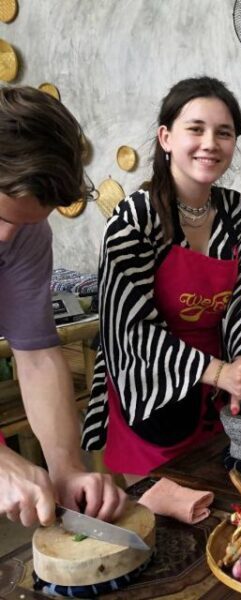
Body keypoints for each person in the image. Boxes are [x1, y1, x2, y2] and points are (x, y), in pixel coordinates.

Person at [81, 77, 241, 479]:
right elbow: (129, 330)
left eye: (224, 132)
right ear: (166, 137)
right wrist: (220, 372)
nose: (210, 143)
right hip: (150, 385)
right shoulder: (135, 219)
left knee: (225, 495)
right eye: (195, 129)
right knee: (163, 515)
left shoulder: (239, 213)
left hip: (217, 386)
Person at [0, 86, 127, 526]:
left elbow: (35, 356)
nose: (5, 240)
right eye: (1, 218)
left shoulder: (26, 235)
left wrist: (66, 466)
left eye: (25, 224)